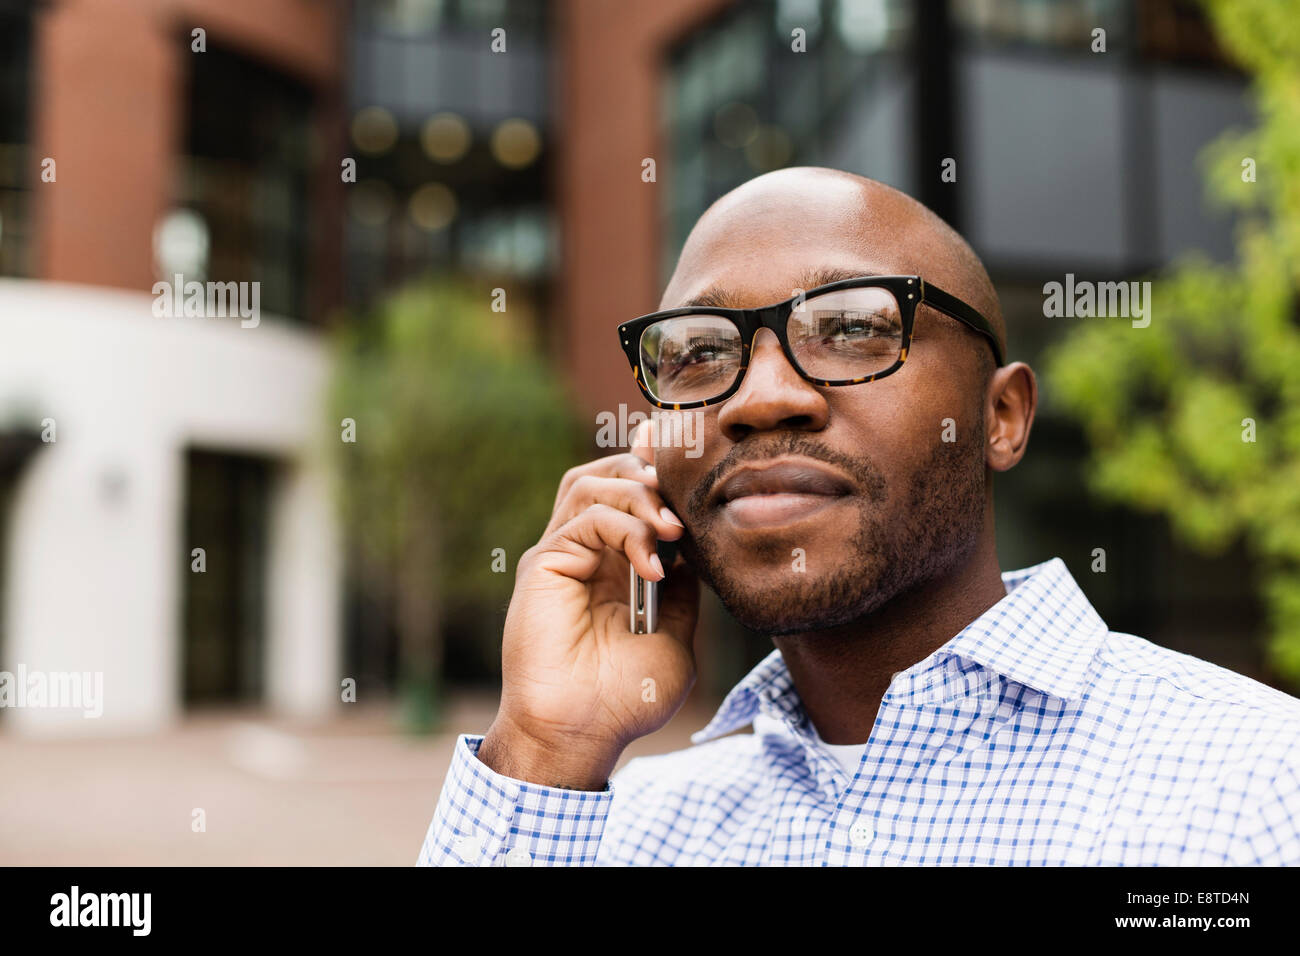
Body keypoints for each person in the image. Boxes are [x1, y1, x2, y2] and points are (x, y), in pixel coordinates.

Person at [417, 167, 1300, 866]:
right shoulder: (606, 830)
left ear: (1001, 417)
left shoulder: (1255, 789)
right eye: (697, 351)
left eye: (851, 329)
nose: (760, 398)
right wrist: (541, 750)